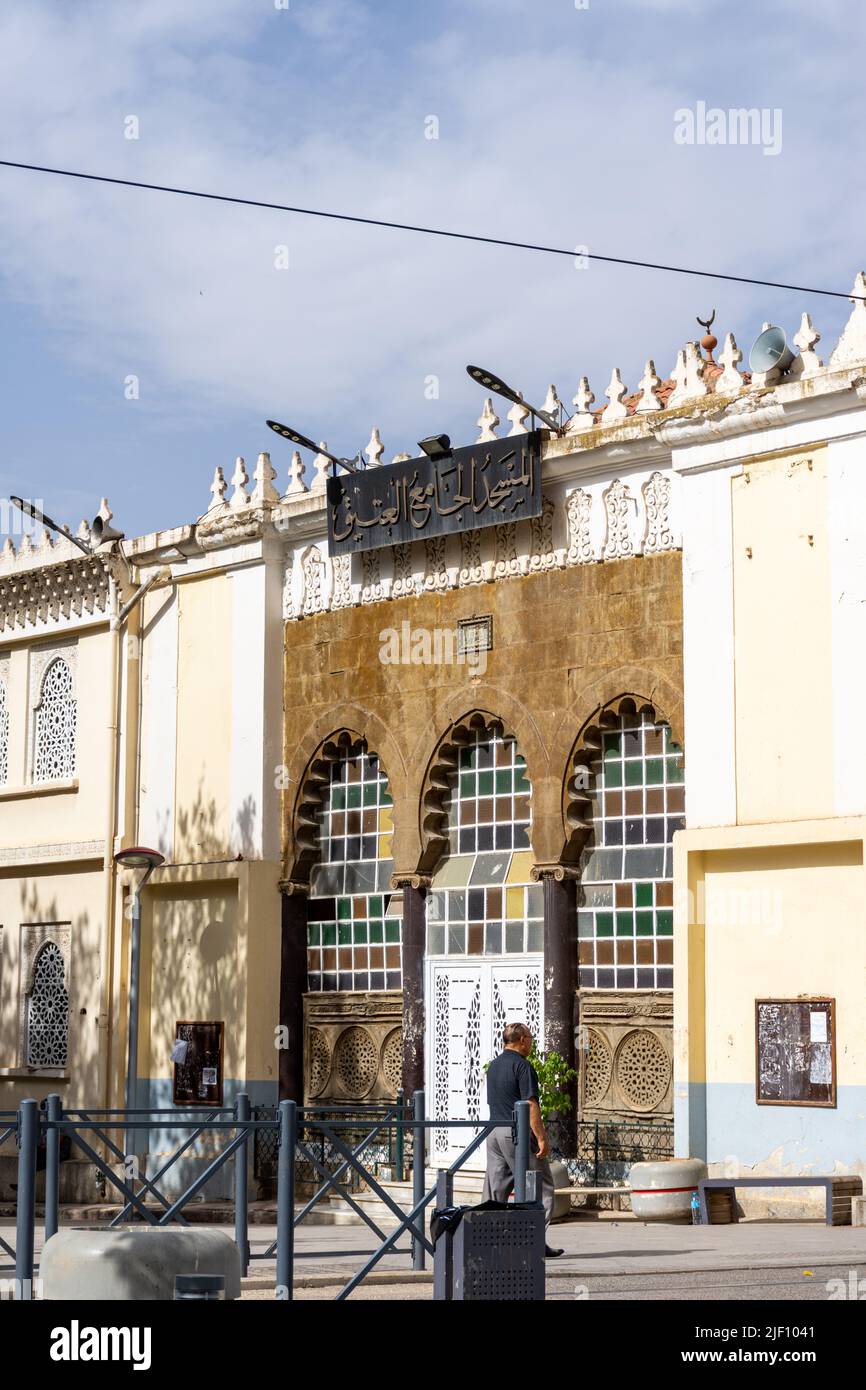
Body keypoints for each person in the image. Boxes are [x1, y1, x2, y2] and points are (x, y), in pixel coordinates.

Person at [482, 1021, 564, 1258]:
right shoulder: (523, 1066)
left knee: (495, 1188)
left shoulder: (494, 1066)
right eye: (530, 1037)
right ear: (521, 1040)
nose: (531, 1042)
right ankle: (533, 1240)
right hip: (514, 1133)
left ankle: (488, 1242)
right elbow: (530, 1104)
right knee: (541, 1184)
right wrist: (541, 1138)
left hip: (493, 1132)